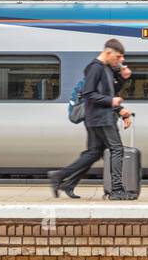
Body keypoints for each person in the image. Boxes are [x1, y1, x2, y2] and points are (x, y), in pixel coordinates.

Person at [49, 38, 129, 200]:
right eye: (119, 56)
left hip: (97, 117)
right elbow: (89, 94)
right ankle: (117, 190)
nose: (121, 60)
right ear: (108, 52)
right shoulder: (95, 68)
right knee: (117, 150)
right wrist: (111, 102)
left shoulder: (106, 68)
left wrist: (122, 78)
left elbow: (110, 90)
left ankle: (62, 179)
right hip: (101, 117)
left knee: (93, 153)